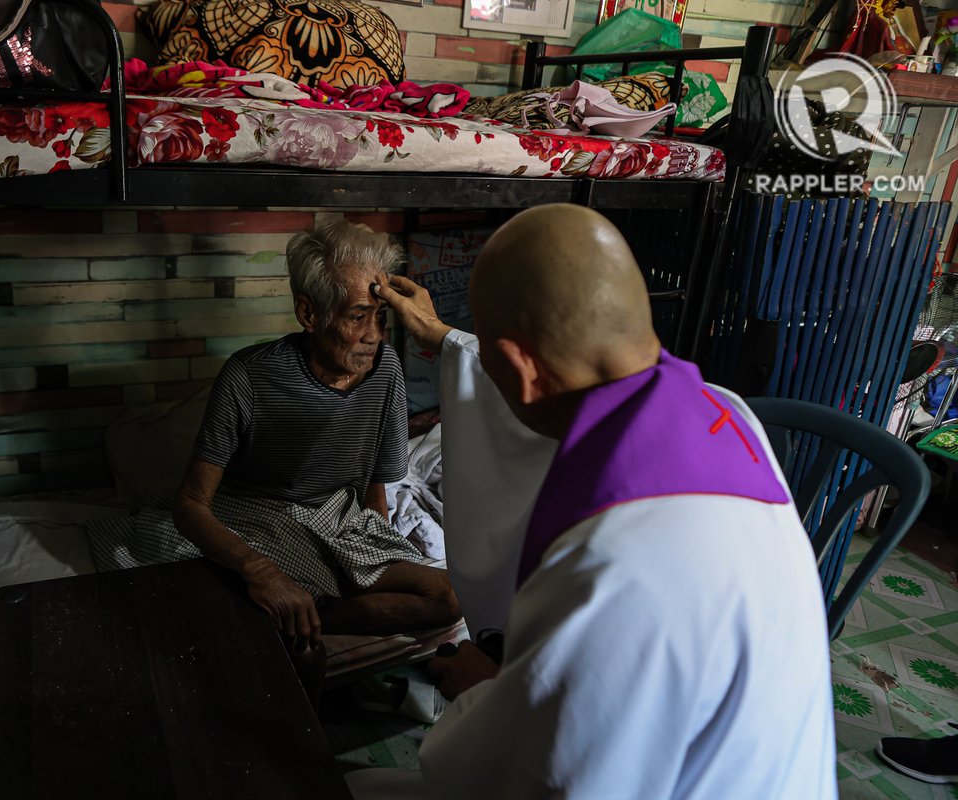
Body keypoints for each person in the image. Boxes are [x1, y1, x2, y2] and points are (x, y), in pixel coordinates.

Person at [346, 204, 837, 799]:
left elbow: (535, 778)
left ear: (520, 370)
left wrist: (485, 694)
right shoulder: (728, 415)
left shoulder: (614, 566)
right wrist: (444, 337)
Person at [89, 220, 460, 656]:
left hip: (338, 521)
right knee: (250, 625)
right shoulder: (248, 374)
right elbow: (190, 504)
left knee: (449, 598)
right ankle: (290, 623)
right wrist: (259, 570)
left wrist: (378, 548)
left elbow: (373, 484)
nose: (374, 336)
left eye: (380, 316)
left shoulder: (387, 369)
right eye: (358, 317)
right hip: (254, 518)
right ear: (309, 314)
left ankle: (309, 621)